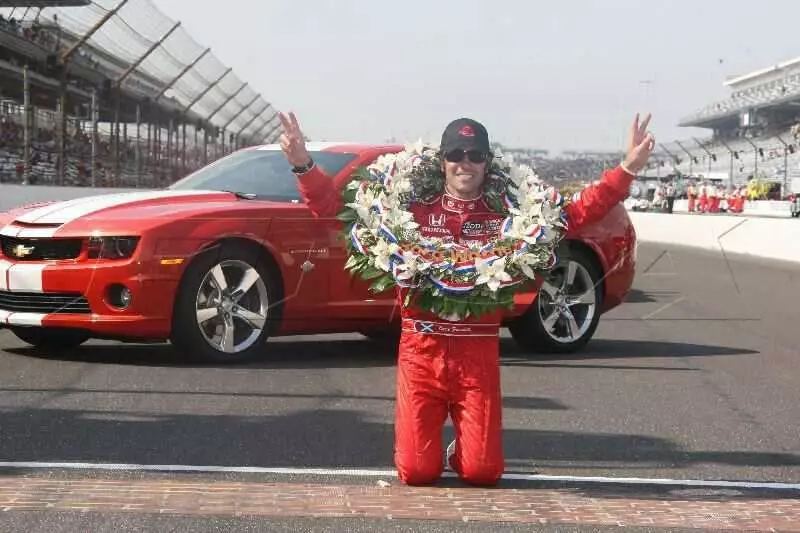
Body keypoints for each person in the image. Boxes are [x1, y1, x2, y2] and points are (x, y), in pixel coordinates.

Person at [278, 111, 655, 486]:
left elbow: (574, 212)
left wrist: (627, 169)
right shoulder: (409, 207)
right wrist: (302, 165)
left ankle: (462, 451)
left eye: (475, 155)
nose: (465, 163)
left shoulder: (509, 211)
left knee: (482, 472)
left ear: (487, 163)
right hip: (420, 351)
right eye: (456, 154)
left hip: (477, 354)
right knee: (416, 473)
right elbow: (334, 207)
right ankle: (429, 451)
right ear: (441, 161)